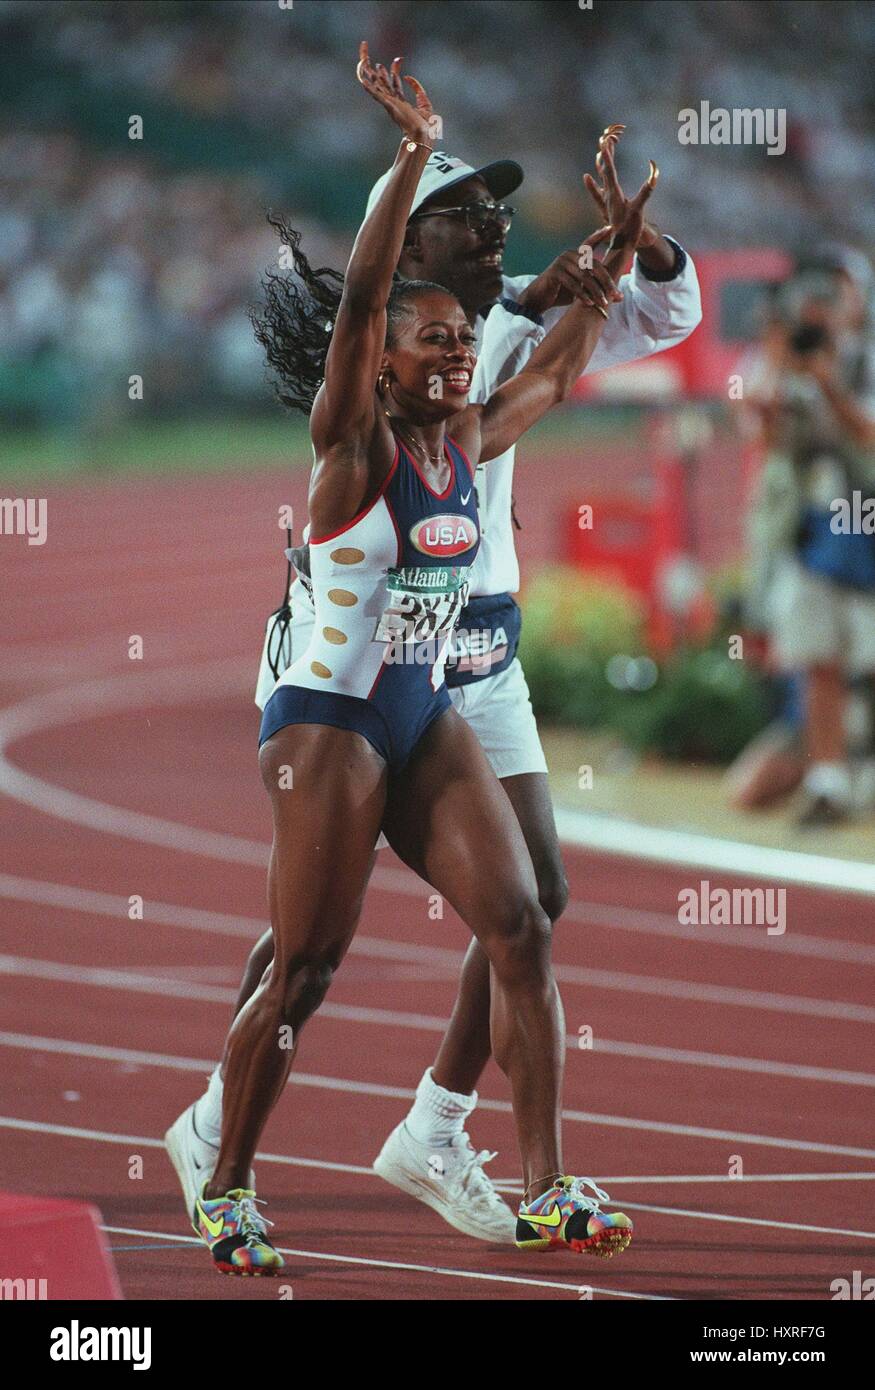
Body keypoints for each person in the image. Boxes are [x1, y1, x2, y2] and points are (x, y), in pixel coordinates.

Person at [167, 77, 701, 1250]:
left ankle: (545, 1179)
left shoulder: (466, 427)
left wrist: (611, 259)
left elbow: (554, 375)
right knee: (304, 966)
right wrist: (414, 154)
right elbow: (362, 297)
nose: (458, 355)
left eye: (463, 342)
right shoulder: (348, 441)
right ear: (382, 363)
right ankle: (229, 1176)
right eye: (435, 342)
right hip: (329, 719)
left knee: (520, 917)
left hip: (424, 708)